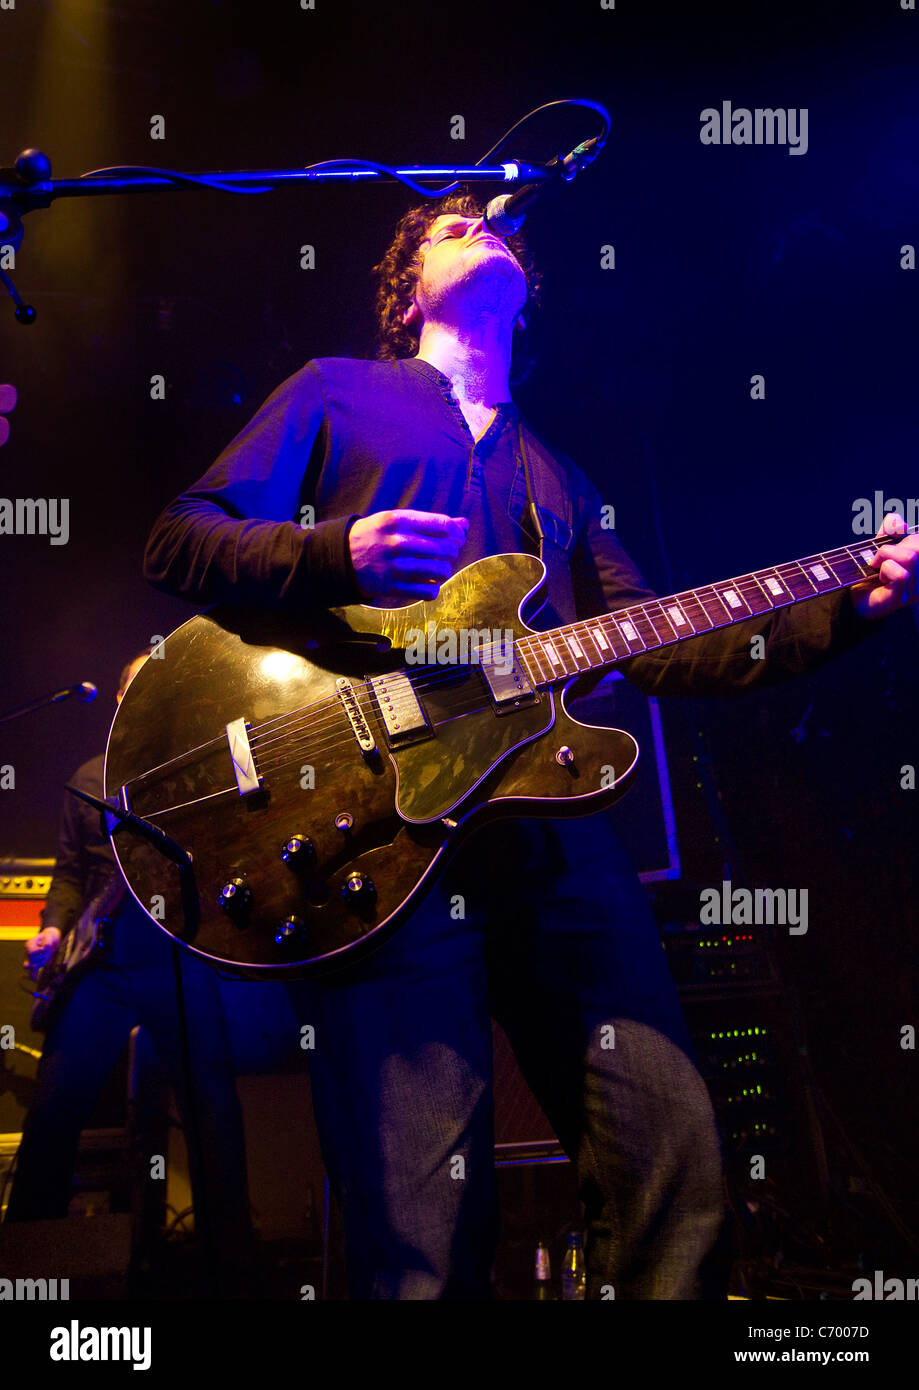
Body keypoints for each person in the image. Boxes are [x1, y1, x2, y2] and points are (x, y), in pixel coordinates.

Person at [141, 192, 918, 1299]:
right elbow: (180, 538)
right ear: (407, 292)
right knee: (421, 1234)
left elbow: (663, 646)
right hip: (380, 845)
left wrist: (844, 608)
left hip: (557, 853)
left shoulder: (558, 476)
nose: (483, 228)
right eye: (451, 228)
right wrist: (332, 550)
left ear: (526, 299)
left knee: (677, 1170)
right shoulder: (337, 392)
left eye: (496, 229)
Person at [7, 653, 254, 1296]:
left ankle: (231, 1271)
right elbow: (69, 871)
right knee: (55, 1109)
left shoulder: (203, 768)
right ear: (121, 703)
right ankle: (29, 1264)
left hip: (180, 955)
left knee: (212, 1113)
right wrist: (54, 925)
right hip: (104, 965)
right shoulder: (88, 777)